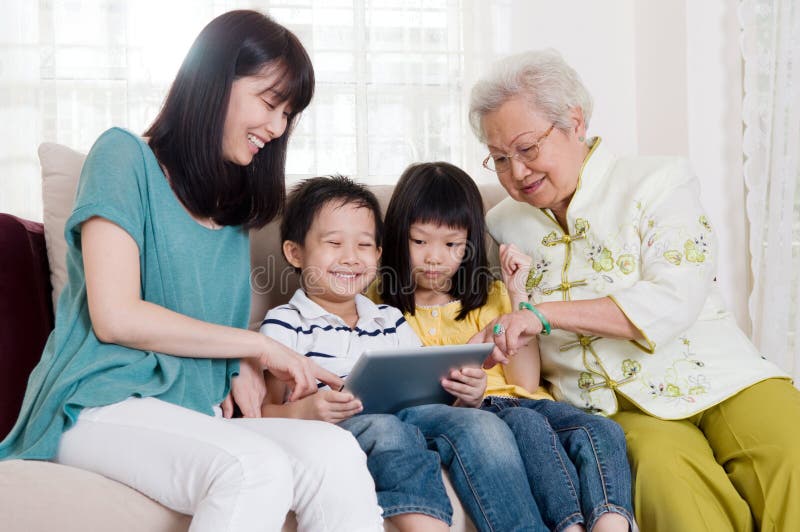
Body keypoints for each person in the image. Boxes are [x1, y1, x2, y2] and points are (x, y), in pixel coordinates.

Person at [0, 11, 385, 532]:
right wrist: (256, 346)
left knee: (335, 453)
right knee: (252, 469)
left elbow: (206, 324)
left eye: (288, 114)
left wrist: (239, 362)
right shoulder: (122, 156)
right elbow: (115, 317)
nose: (277, 128)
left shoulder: (233, 204)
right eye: (270, 102)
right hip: (94, 402)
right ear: (214, 80)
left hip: (187, 410)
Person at [467, 49, 800, 532]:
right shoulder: (500, 225)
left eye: (527, 149)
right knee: (667, 479)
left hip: (723, 376)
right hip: (613, 407)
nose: (516, 172)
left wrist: (544, 314)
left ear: (575, 122)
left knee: (791, 450)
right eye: (500, 158)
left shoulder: (659, 180)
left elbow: (675, 295)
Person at [259, 175, 547, 532]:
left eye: (364, 245)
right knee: (388, 429)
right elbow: (263, 412)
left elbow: (432, 392)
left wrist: (466, 396)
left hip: (412, 417)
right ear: (295, 253)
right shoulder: (286, 323)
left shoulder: (389, 319)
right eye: (334, 243)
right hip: (344, 425)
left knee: (484, 423)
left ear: (378, 254)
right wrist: (306, 410)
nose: (351, 258)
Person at [376, 161, 633, 532]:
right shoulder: (381, 308)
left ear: (469, 245)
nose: (435, 257)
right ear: (398, 236)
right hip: (482, 412)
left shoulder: (491, 295)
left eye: (451, 245)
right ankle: (569, 527)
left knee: (603, 430)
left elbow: (525, 383)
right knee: (528, 424)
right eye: (420, 241)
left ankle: (610, 526)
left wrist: (517, 295)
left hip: (524, 403)